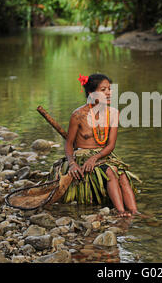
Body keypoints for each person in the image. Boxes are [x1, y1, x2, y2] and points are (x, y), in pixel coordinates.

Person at [50, 73, 141, 217]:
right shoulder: (78, 115)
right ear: (91, 94)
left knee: (122, 174)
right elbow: (68, 145)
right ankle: (121, 211)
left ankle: (135, 211)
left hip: (104, 154)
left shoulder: (114, 113)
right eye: (103, 90)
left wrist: (95, 158)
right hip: (82, 155)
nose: (109, 93)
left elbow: (111, 145)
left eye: (109, 89)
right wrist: (72, 163)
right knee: (110, 172)